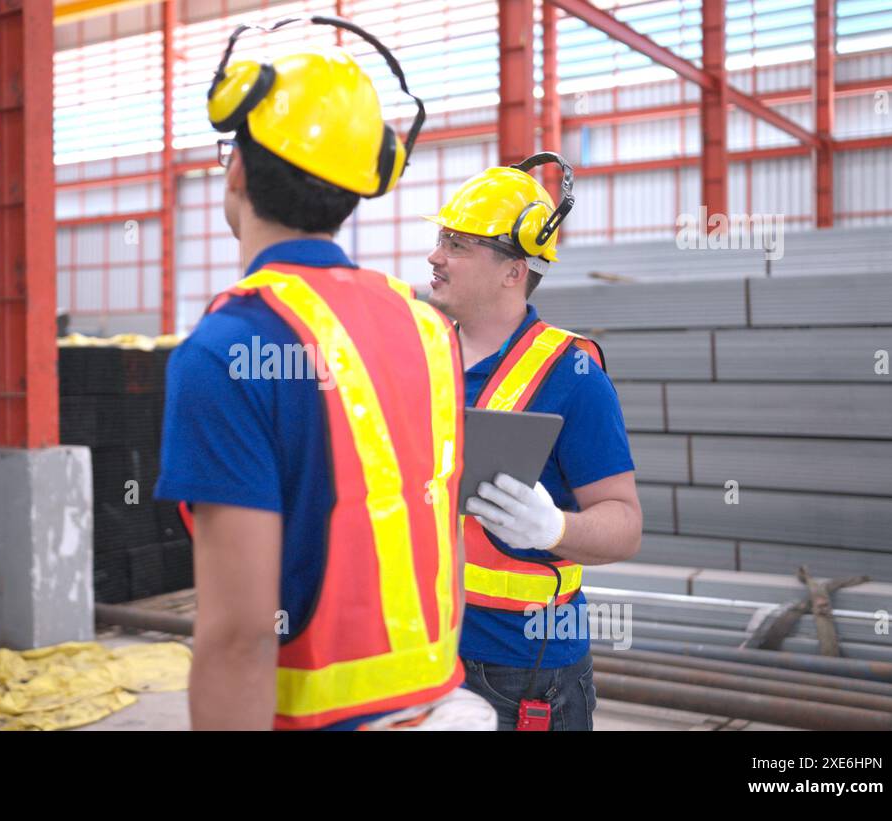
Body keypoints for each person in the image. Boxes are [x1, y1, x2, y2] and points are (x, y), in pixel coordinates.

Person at [155, 16, 495, 731]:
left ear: (237, 168)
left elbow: (238, 634)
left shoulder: (227, 347)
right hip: (438, 705)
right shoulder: (427, 328)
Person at [422, 155, 643, 730]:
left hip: (522, 673)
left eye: (458, 244)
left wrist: (557, 531)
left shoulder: (572, 375)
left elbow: (624, 522)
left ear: (513, 270)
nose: (435, 255)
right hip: (421, 655)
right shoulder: (422, 358)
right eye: (441, 238)